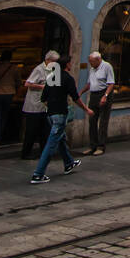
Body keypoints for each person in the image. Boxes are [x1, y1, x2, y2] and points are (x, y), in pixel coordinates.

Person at [30, 56, 91, 184]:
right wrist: (86, 109)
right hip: (60, 114)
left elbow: (43, 98)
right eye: (70, 63)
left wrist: (51, 107)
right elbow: (75, 97)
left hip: (50, 115)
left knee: (60, 138)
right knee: (51, 144)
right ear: (67, 65)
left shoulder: (52, 77)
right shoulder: (68, 78)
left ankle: (68, 163)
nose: (71, 64)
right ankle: (38, 174)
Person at [79, 51, 115, 156]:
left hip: (103, 94)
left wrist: (105, 96)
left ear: (98, 59)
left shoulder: (107, 66)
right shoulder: (92, 69)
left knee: (103, 121)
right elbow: (90, 83)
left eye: (92, 61)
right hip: (94, 95)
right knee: (92, 120)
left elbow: (111, 83)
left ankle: (101, 146)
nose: (90, 64)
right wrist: (81, 92)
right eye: (89, 62)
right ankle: (92, 145)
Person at [0, 50, 24, 145]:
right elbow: (19, 82)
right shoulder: (15, 68)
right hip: (9, 93)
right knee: (4, 115)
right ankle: (1, 136)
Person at [21, 52, 52, 159]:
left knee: (44, 131)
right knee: (31, 131)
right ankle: (26, 153)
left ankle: (44, 152)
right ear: (48, 60)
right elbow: (28, 83)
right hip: (33, 106)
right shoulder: (39, 69)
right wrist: (42, 87)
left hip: (44, 106)